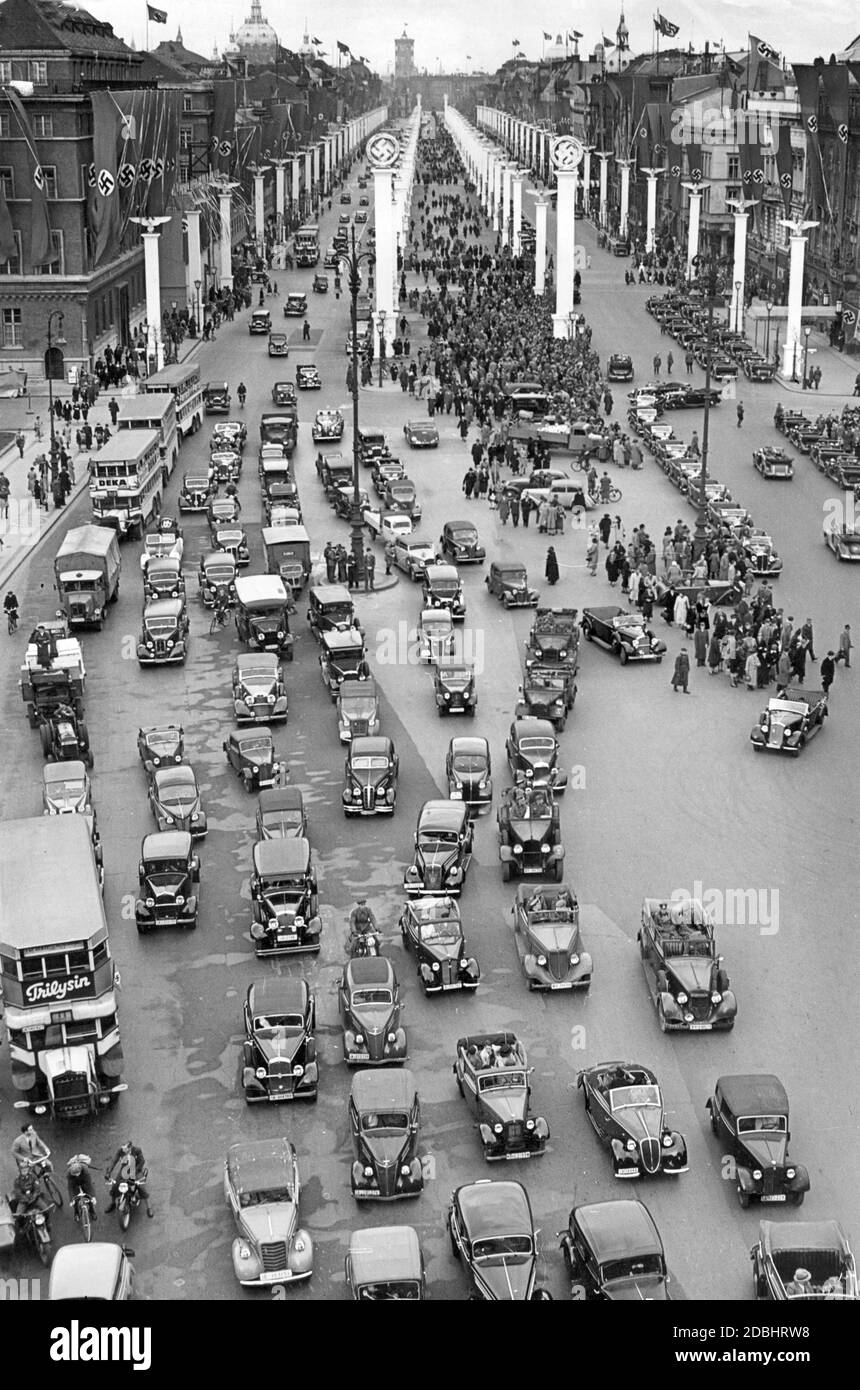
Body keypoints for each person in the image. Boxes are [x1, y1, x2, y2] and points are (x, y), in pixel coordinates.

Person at [105, 1141, 153, 1217]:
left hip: (136, 1170)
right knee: (114, 1186)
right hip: (124, 1170)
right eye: (122, 1148)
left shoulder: (137, 1150)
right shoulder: (120, 1151)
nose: (123, 1150)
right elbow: (114, 1161)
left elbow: (141, 1162)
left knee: (141, 1188)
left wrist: (133, 1173)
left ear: (129, 1148)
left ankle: (149, 1208)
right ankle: (113, 1203)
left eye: (125, 1148)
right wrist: (108, 1172)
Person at [67, 1154, 97, 1219]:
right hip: (75, 1183)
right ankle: (76, 1212)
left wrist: (93, 1196)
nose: (77, 1175)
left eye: (78, 1173)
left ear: (80, 1170)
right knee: (75, 1199)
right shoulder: (69, 1173)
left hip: (84, 1182)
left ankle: (92, 1211)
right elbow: (70, 1187)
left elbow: (89, 1185)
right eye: (74, 1174)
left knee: (88, 1197)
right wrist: (71, 1199)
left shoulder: (86, 1171)